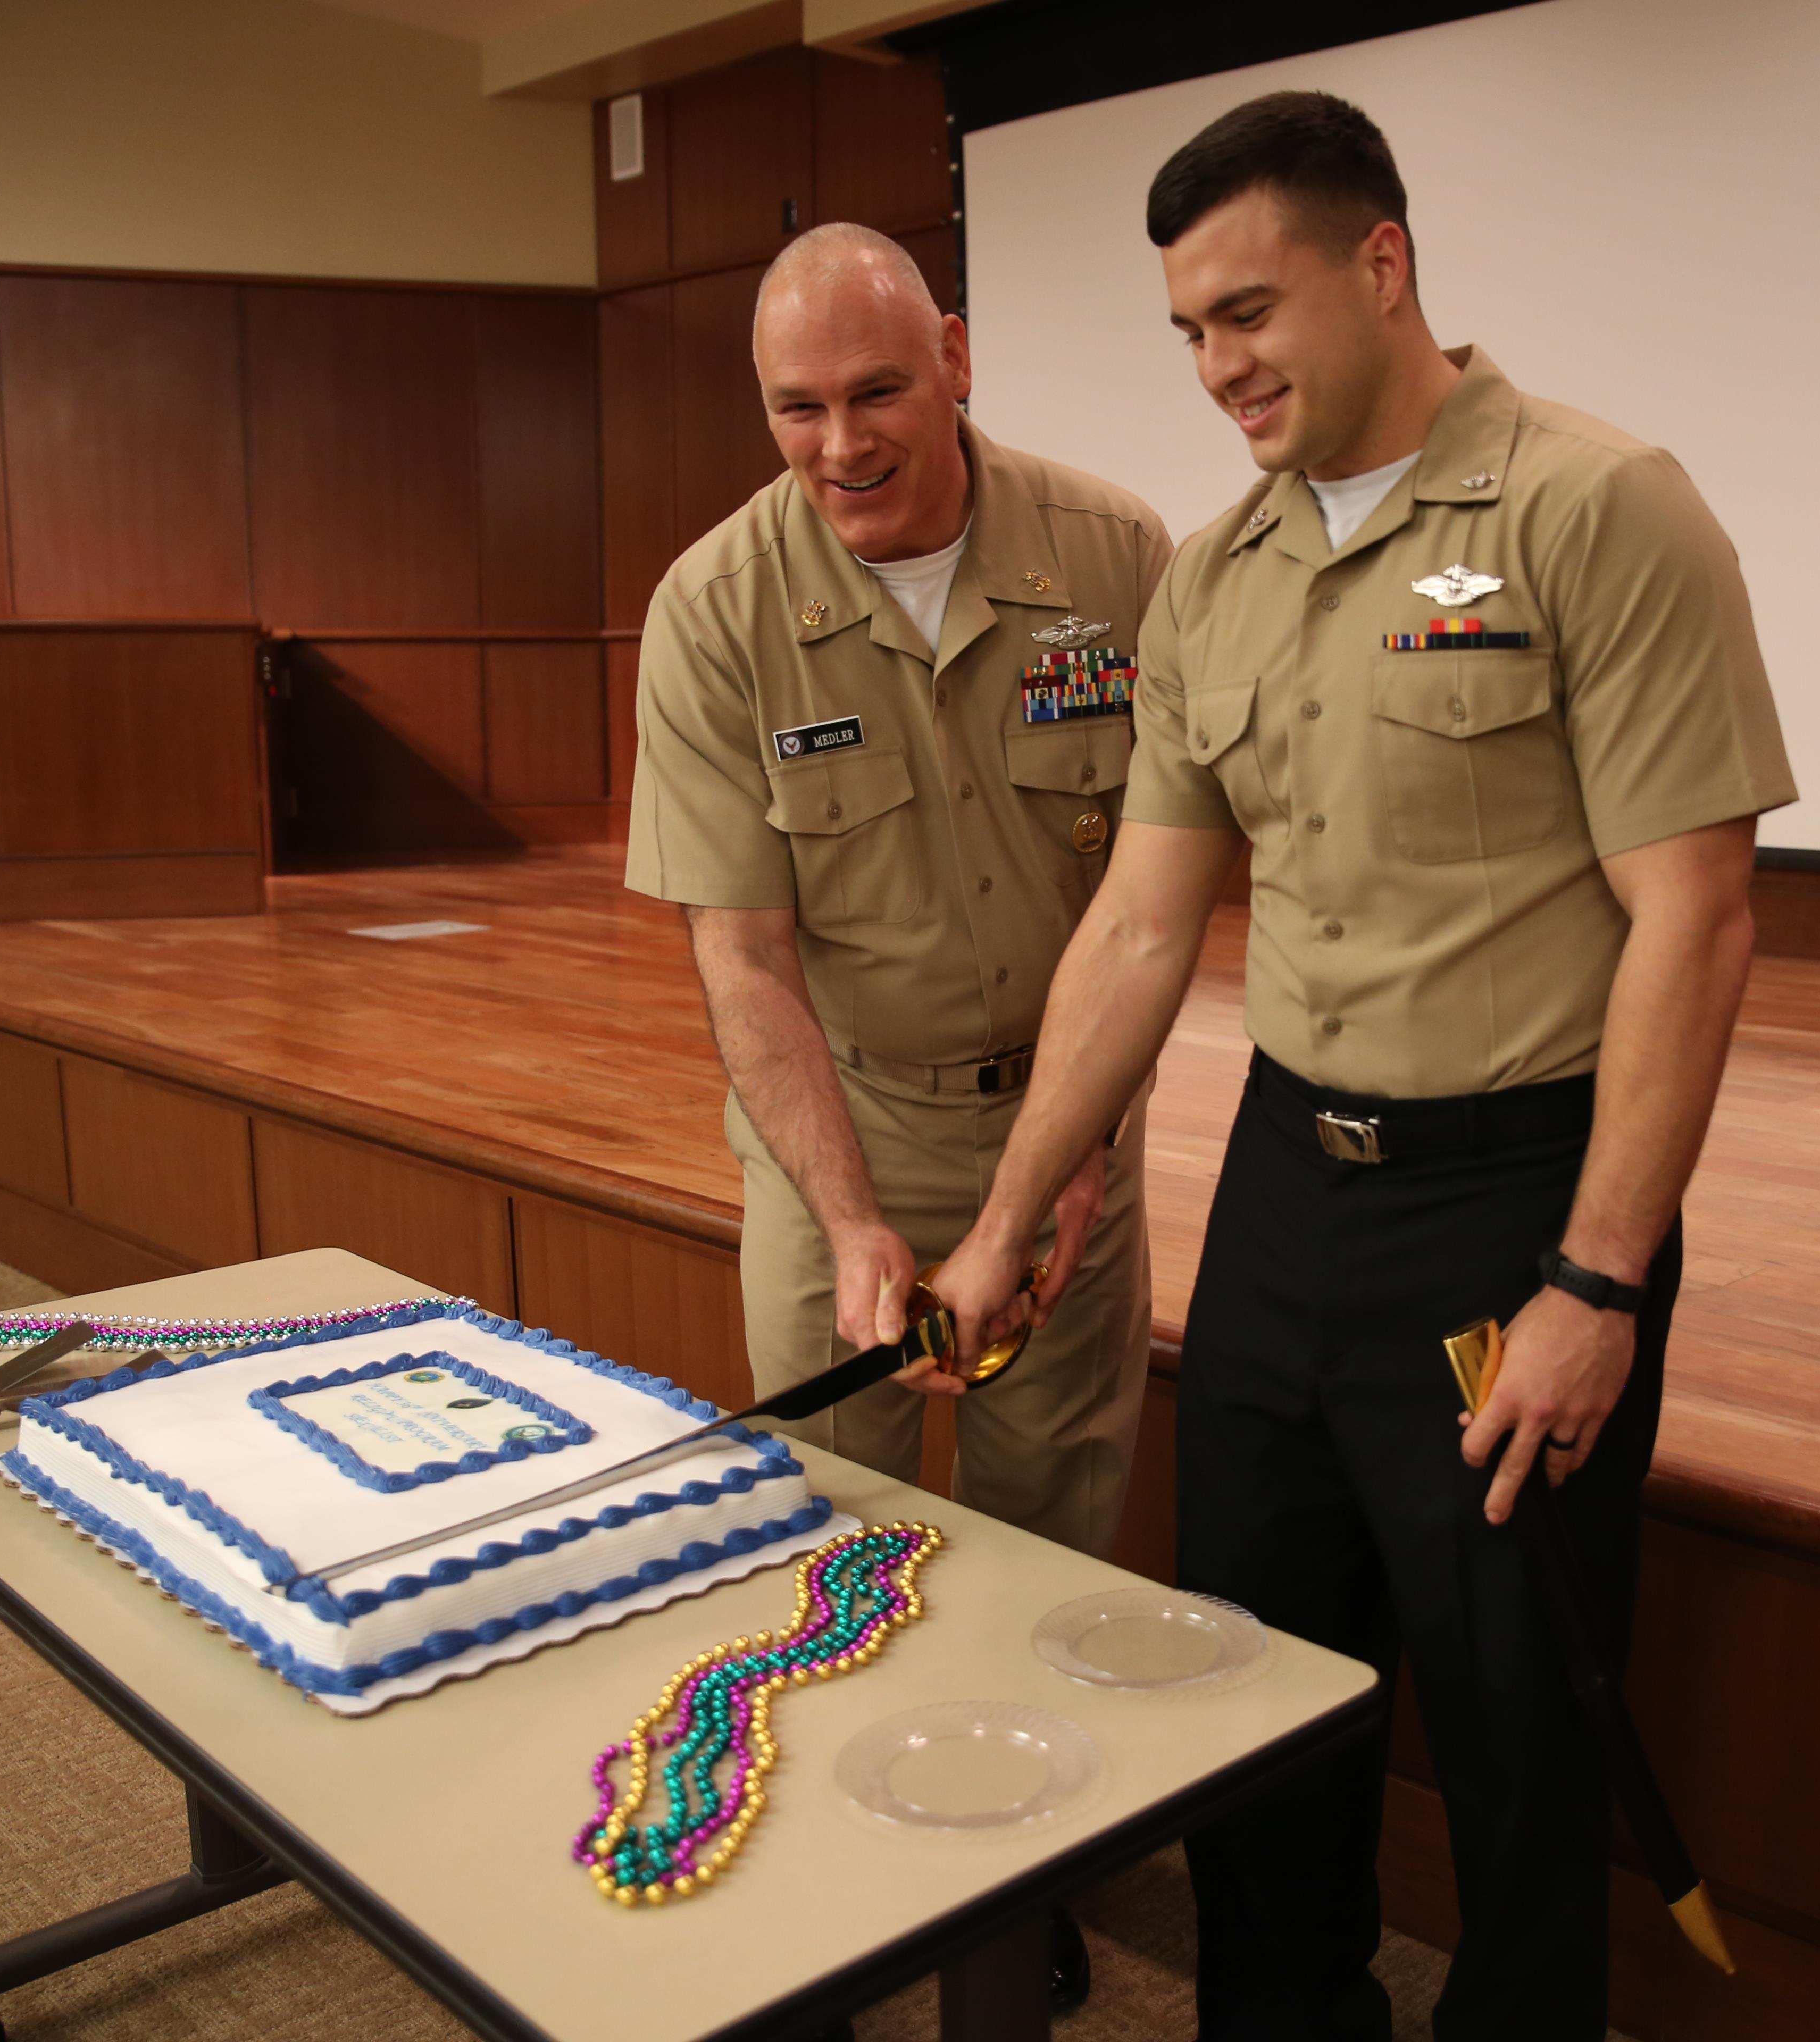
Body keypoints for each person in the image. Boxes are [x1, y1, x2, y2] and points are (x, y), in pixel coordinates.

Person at [925, 95, 1797, 2040]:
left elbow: (1698, 922)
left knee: (1514, 1732)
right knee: (1252, 1696)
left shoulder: (1595, 509)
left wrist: (1600, 1282)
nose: (1220, 365)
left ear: (1381, 264)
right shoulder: (1219, 574)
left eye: (1250, 309)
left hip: (1511, 1218)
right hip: (1282, 1211)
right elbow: (1143, 930)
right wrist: (1005, 1218)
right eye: (1188, 332)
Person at [624, 221, 1171, 2012]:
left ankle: (1016, 1884)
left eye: (874, 392)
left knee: (1046, 1526)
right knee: (819, 1523)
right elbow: (747, 967)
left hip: (1070, 1128)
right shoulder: (716, 609)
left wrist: (1082, 1156)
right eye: (797, 408)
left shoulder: (1117, 560)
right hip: (837, 1132)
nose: (840, 443)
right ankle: (840, 1888)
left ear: (952, 354)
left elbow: (1152, 906)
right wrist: (856, 1228)